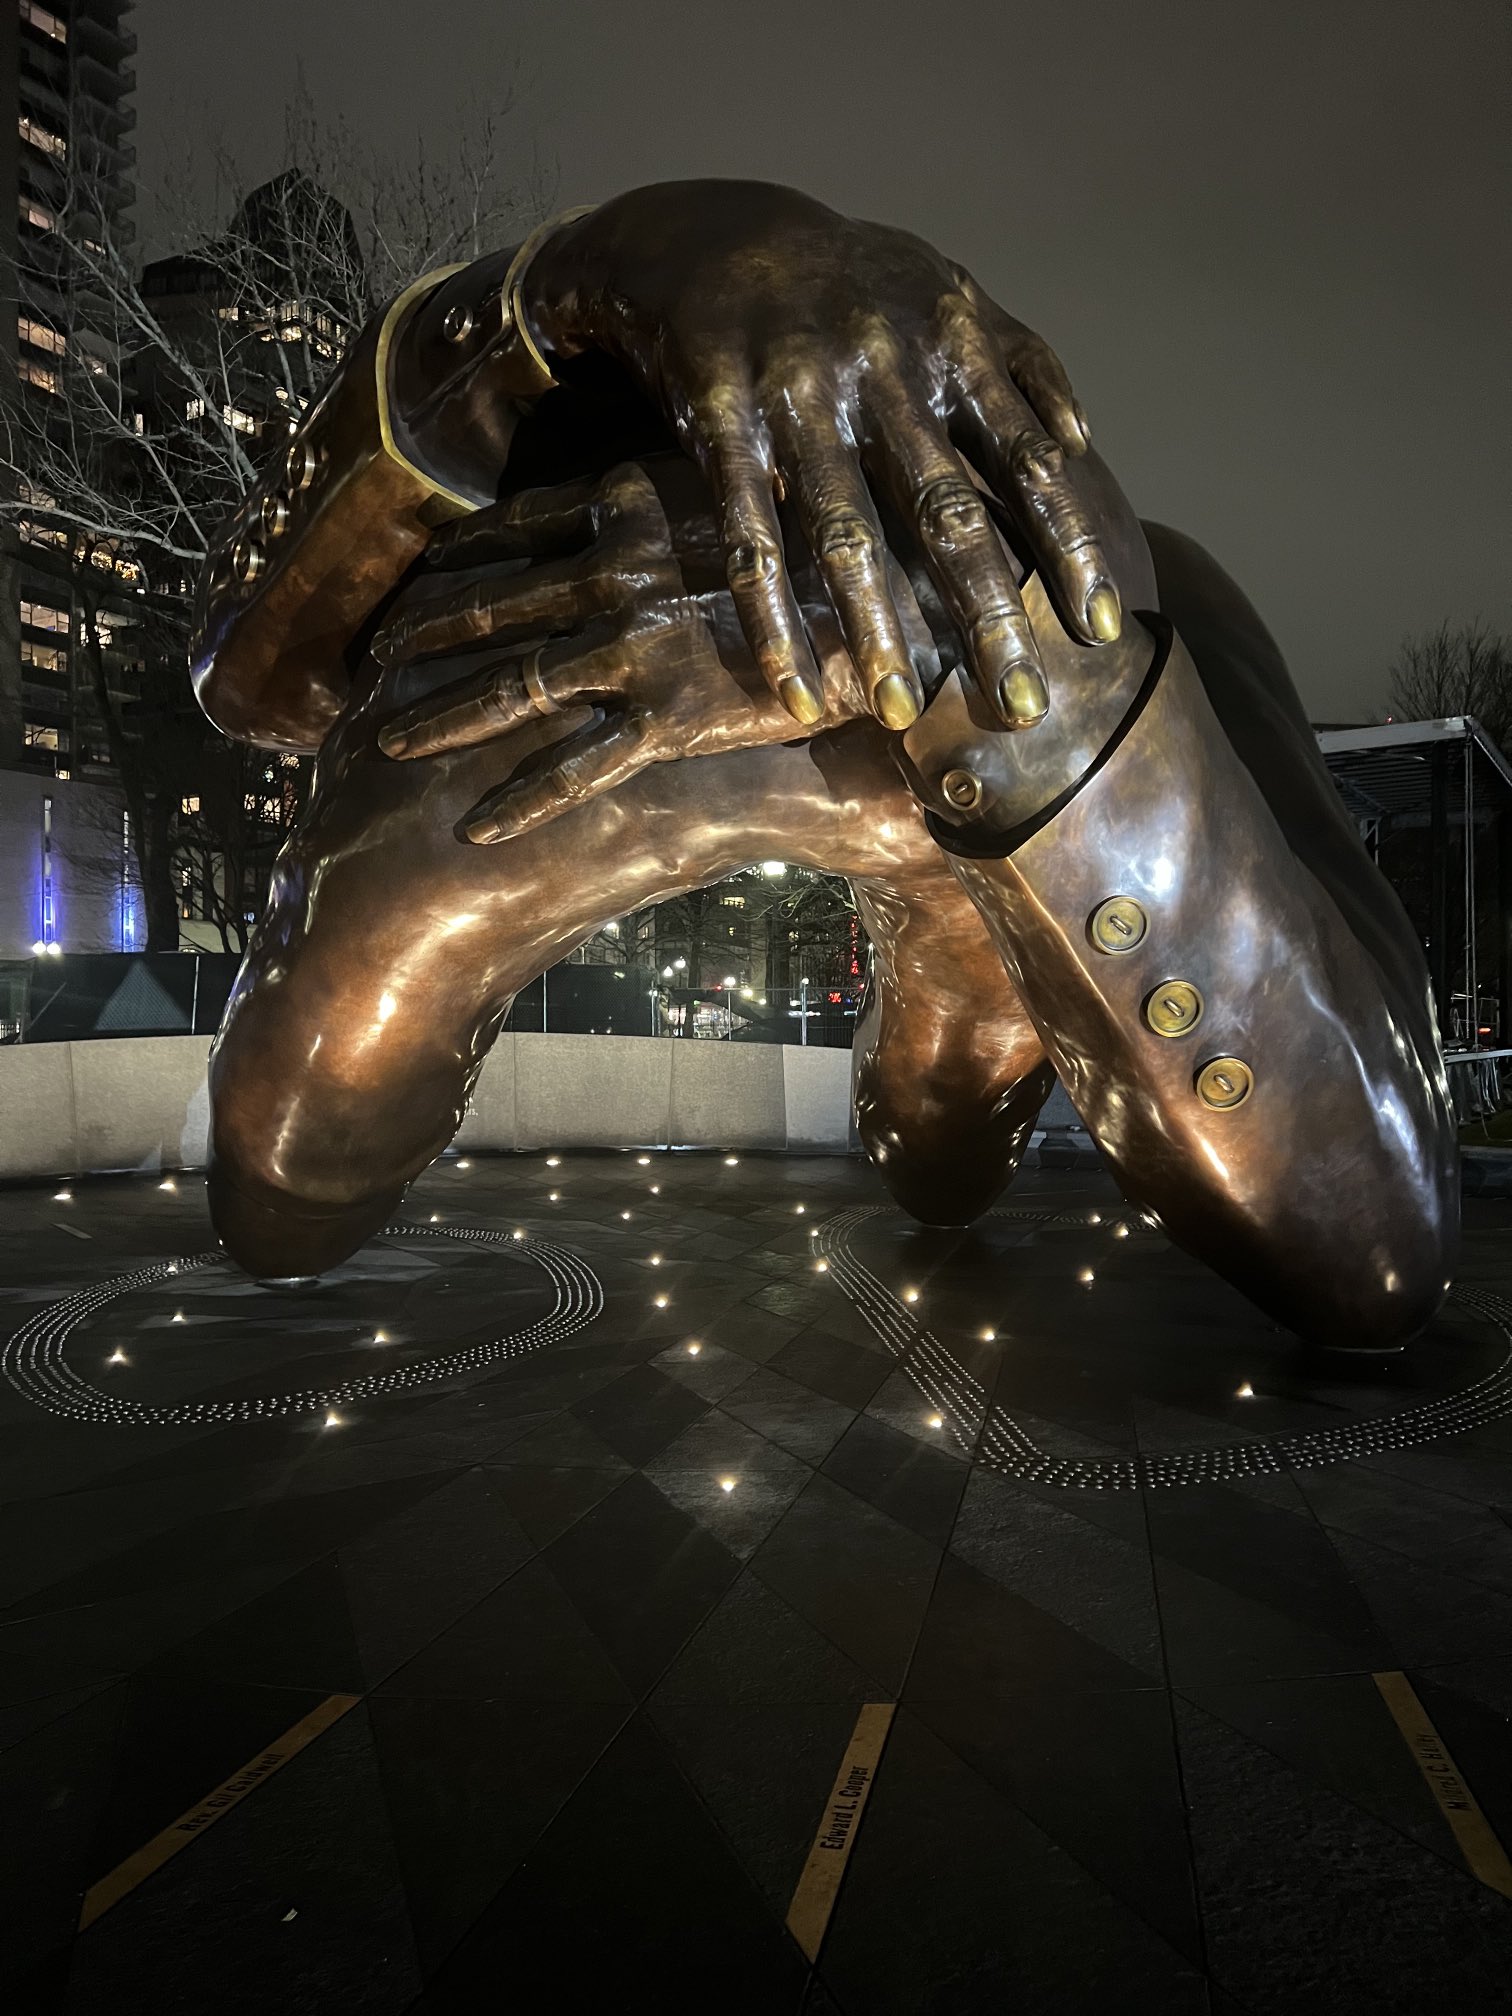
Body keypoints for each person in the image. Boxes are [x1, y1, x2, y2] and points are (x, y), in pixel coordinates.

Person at [195, 183, 1458, 1349]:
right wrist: (578, 272)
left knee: (936, 1137)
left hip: (940, 710)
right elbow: (247, 679)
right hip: (551, 690)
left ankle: (963, 835)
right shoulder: (486, 648)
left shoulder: (1118, 580)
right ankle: (957, 814)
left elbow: (1379, 1247)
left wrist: (999, 670)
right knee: (316, 1110)